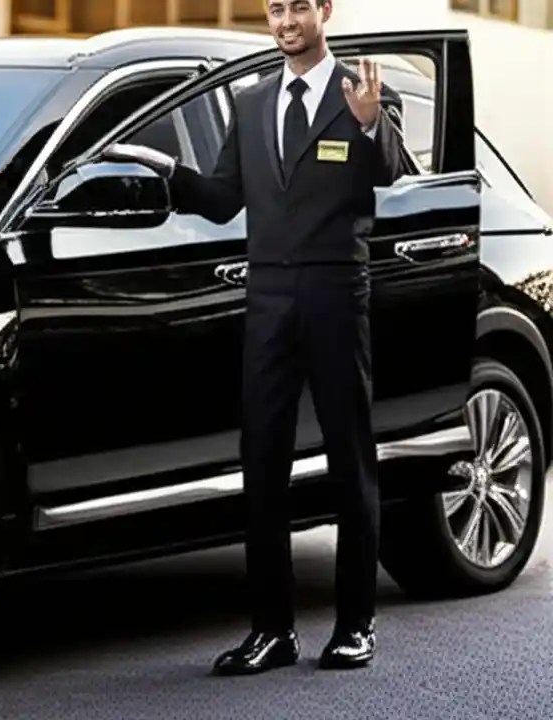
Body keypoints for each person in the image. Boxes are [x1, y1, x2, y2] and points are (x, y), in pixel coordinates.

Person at [114, 0, 406, 673]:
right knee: (263, 464)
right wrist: (164, 172)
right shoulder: (250, 104)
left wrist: (370, 126)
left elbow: (396, 172)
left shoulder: (357, 92)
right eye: (275, 8)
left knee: (349, 457)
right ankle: (271, 631)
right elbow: (223, 198)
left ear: (324, 10)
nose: (284, 20)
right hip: (268, 302)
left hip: (336, 297)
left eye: (298, 6)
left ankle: (355, 624)